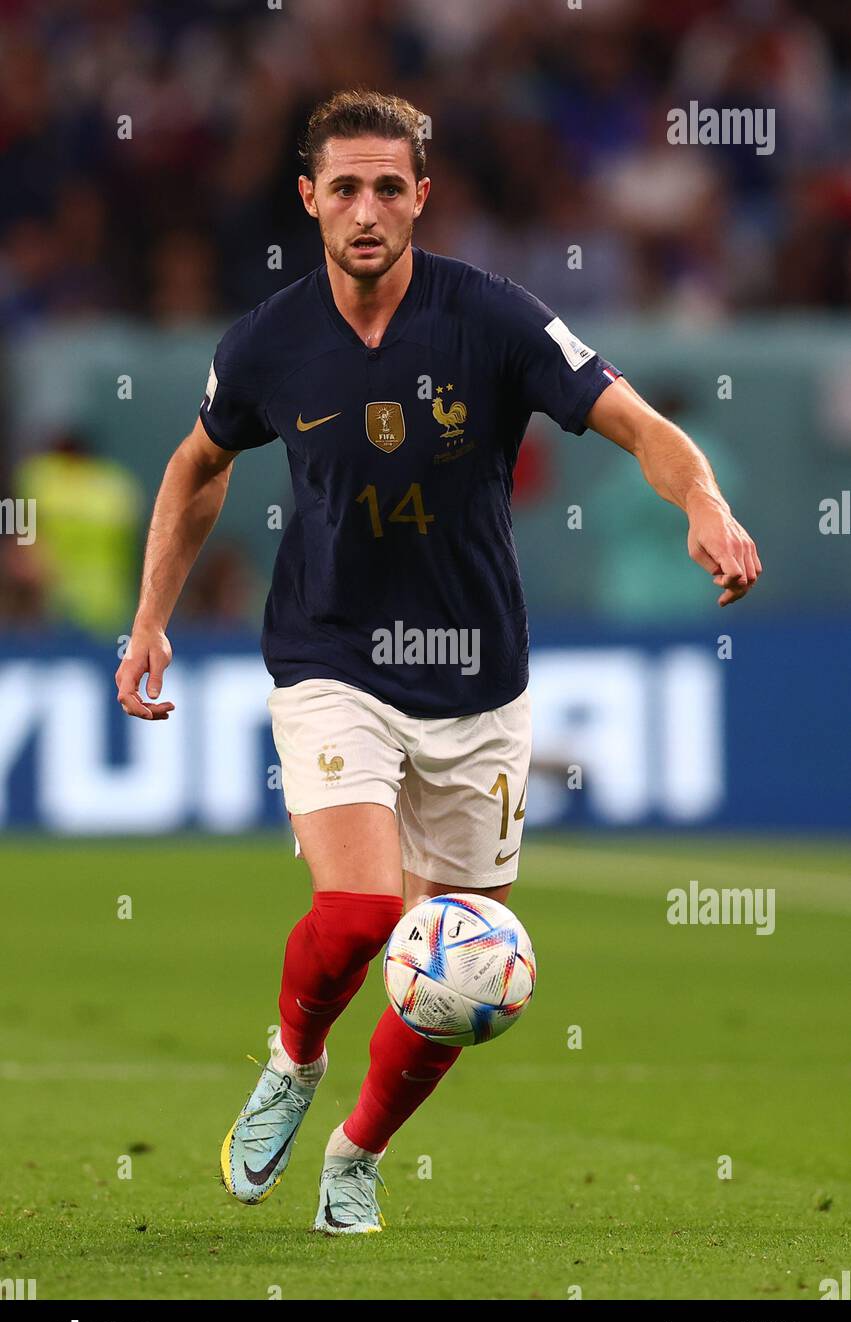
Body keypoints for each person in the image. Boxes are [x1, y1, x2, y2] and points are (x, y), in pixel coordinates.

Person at [115, 90, 761, 1235]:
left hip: (477, 683)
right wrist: (150, 617)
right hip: (329, 661)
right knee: (363, 911)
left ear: (423, 195)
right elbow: (195, 469)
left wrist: (700, 498)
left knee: (468, 973)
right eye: (344, 188)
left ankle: (356, 1155)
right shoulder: (268, 342)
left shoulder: (496, 320)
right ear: (308, 199)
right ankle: (294, 1058)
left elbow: (637, 425)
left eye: (388, 186)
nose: (367, 209)